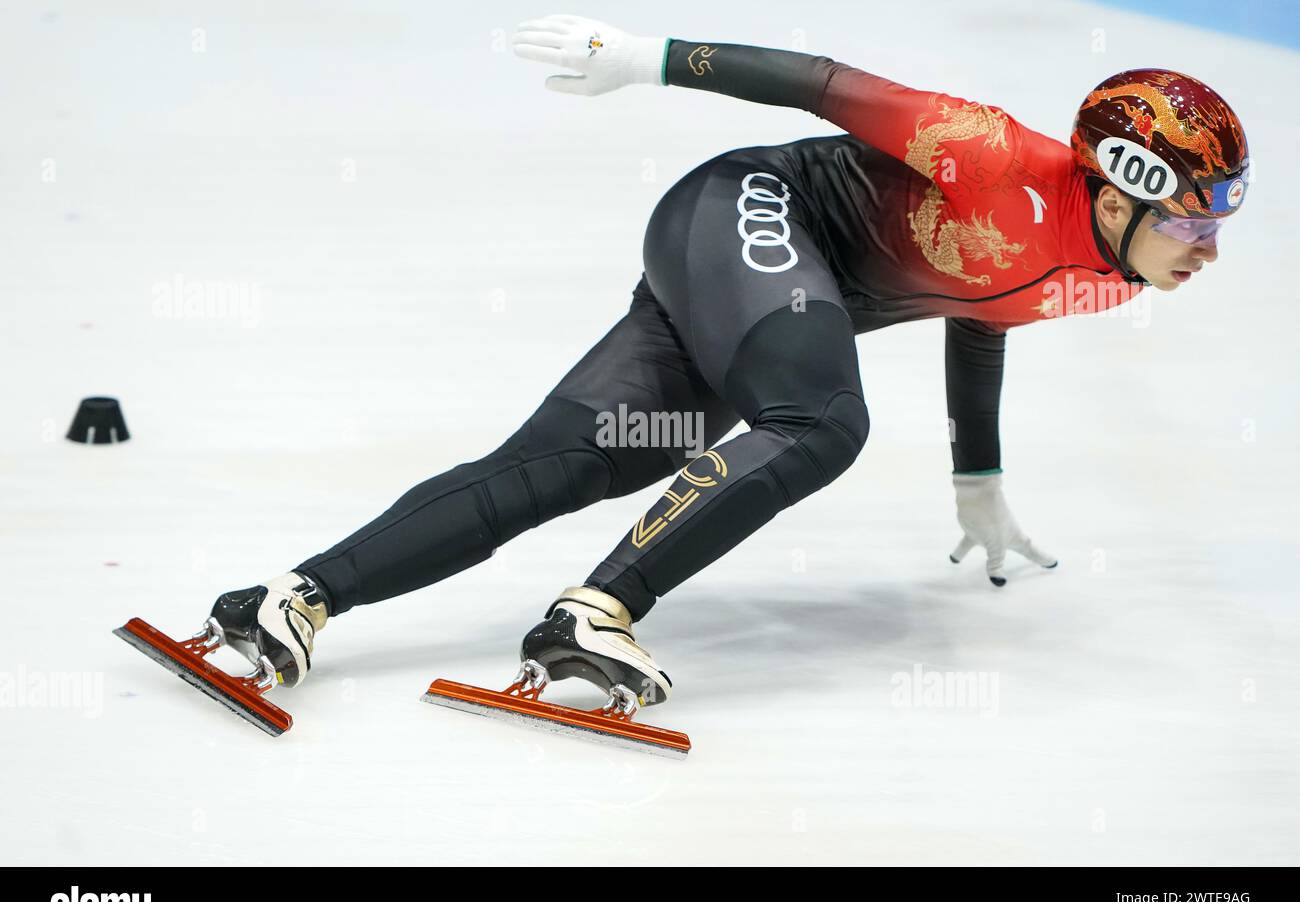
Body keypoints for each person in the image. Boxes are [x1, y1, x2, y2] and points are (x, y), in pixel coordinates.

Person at [197, 15, 1251, 714]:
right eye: (1197, 220)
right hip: (749, 215)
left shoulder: (1116, 274)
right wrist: (650, 56)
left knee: (572, 459)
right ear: (1118, 191)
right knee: (823, 419)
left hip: (770, 299)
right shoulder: (989, 153)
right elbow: (822, 85)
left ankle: (288, 599)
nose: (1208, 248)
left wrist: (977, 476)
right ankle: (593, 613)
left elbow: (985, 310)